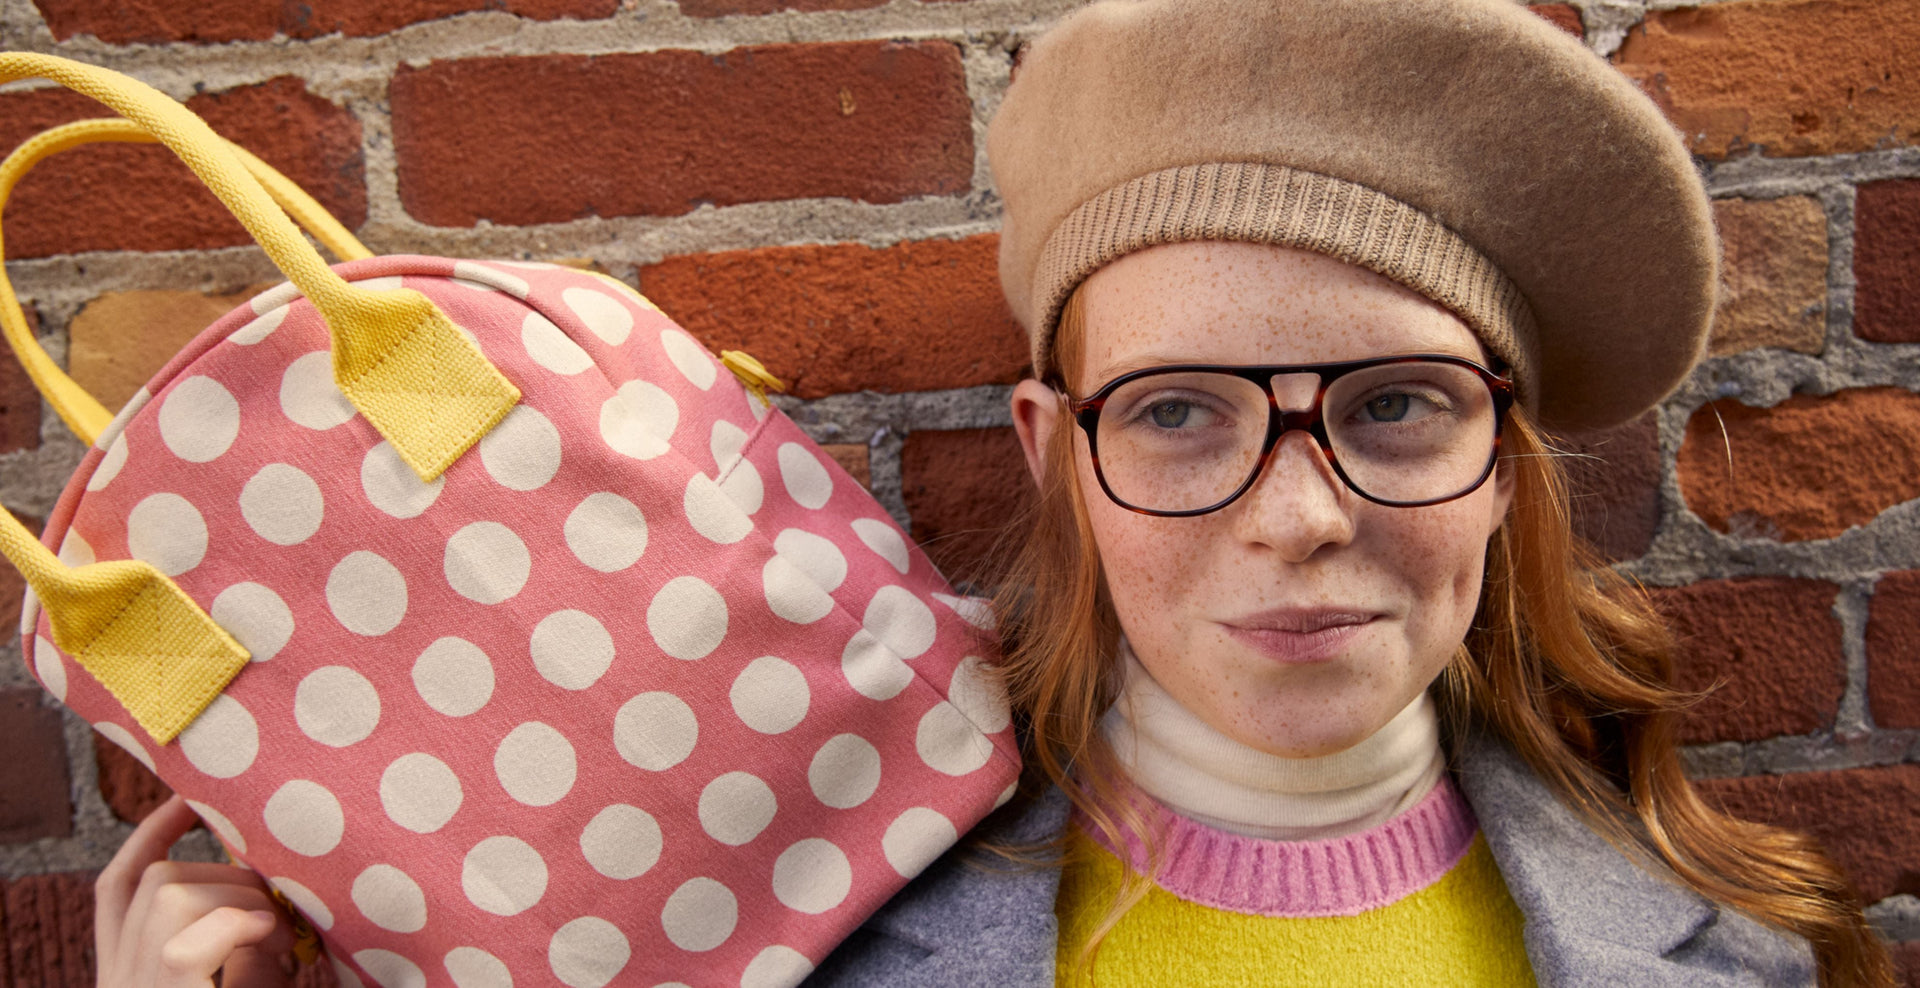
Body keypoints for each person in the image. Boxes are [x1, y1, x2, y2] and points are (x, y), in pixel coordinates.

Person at [96, 0, 1890, 985]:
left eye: (1399, 406)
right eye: (1180, 415)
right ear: (1055, 453)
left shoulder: (1736, 952)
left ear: (1505, 461)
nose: (1295, 512)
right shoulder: (764, 945)